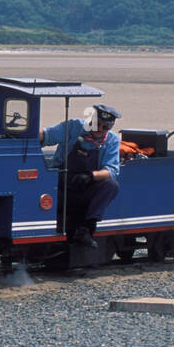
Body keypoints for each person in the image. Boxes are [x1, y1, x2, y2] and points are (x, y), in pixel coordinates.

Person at [41, 104, 121, 247]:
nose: (99, 129)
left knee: (111, 185)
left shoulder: (112, 140)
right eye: (97, 124)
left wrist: (90, 176)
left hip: (86, 184)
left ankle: (85, 229)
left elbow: (111, 170)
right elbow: (47, 135)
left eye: (105, 127)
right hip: (61, 180)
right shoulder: (73, 127)